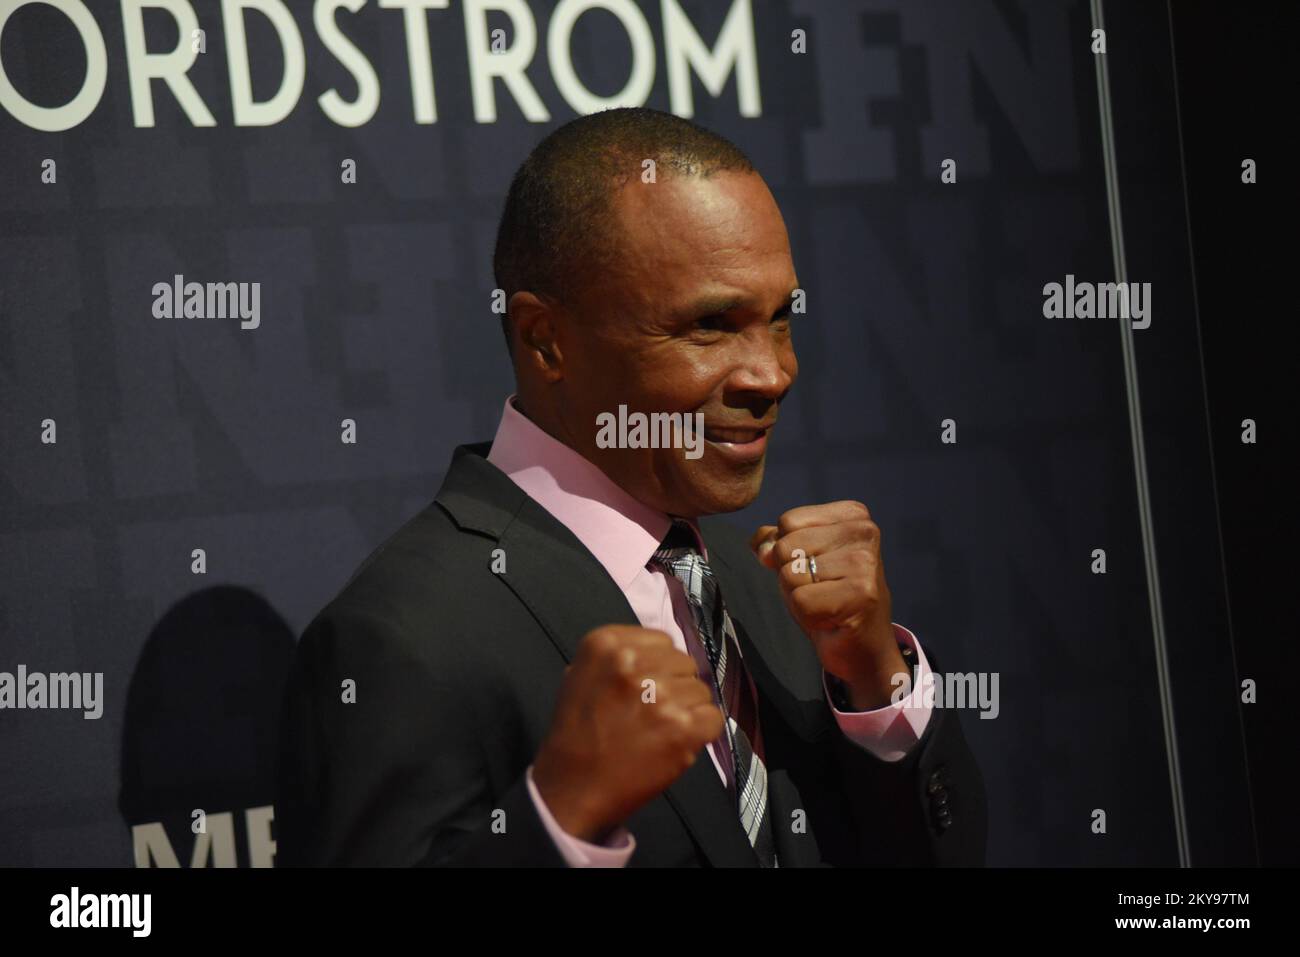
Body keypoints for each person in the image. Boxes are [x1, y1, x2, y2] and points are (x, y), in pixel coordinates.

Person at [275, 106, 986, 867]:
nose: (773, 372)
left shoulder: (761, 587)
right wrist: (559, 819)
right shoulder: (401, 636)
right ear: (548, 340)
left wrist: (875, 684)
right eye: (711, 325)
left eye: (780, 318)